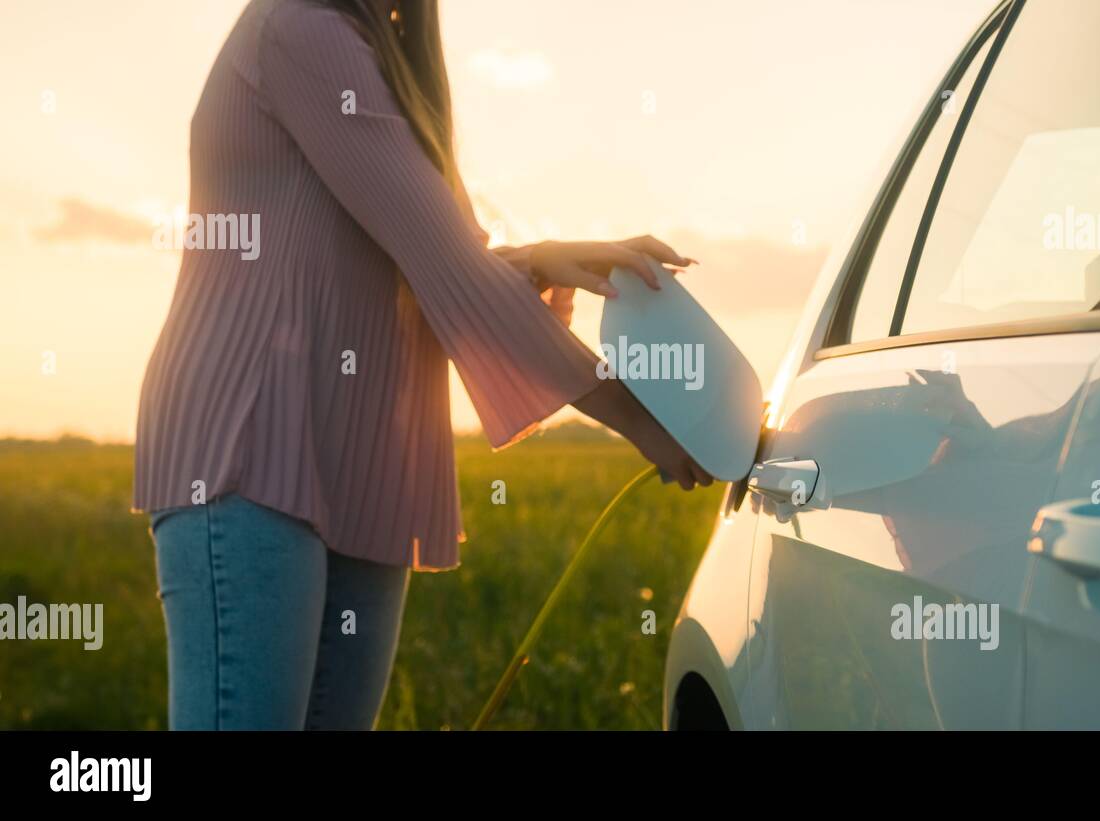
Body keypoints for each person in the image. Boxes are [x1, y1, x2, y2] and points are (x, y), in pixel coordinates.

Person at [133, 0, 710, 730]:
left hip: (361, 466)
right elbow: (440, 260)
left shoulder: (381, 58)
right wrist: (642, 417)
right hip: (248, 444)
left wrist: (532, 262)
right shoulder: (297, 28)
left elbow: (409, 255)